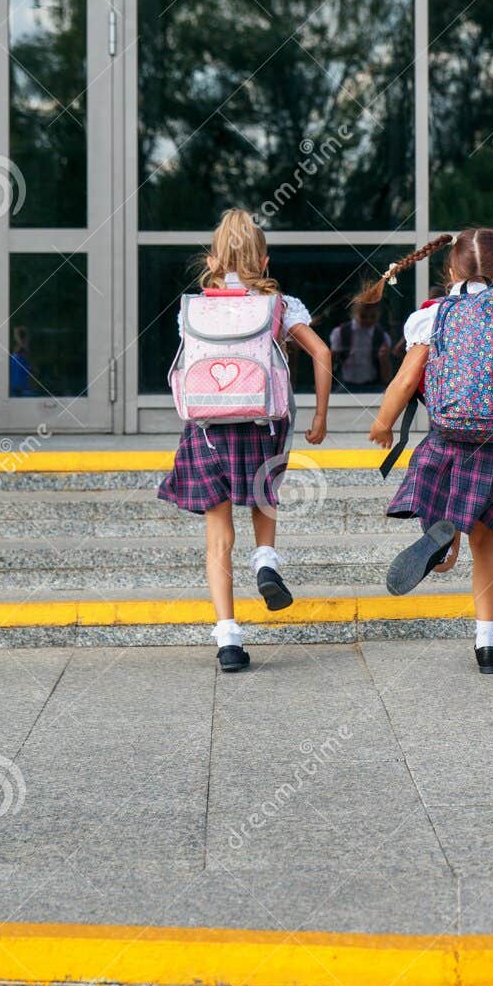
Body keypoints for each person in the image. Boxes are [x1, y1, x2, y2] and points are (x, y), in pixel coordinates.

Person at [365, 227, 493, 676]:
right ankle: (488, 645)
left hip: (448, 436)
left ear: (449, 272)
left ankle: (442, 540)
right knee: (486, 539)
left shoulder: (434, 315)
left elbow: (408, 379)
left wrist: (383, 422)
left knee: (440, 507)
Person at [158, 209, 332, 673]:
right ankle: (265, 560)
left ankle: (229, 641)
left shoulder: (195, 307)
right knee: (262, 497)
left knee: (218, 538)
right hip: (262, 425)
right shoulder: (281, 305)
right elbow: (322, 352)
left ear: (214, 258)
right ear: (265, 260)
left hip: (208, 430)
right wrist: (319, 415)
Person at [330, 297, 392, 392]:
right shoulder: (340, 333)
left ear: (379, 315)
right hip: (346, 383)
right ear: (353, 314)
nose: (368, 320)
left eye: (373, 316)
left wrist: (383, 359)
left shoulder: (382, 337)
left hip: (372, 385)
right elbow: (330, 361)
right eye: (363, 316)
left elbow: (387, 376)